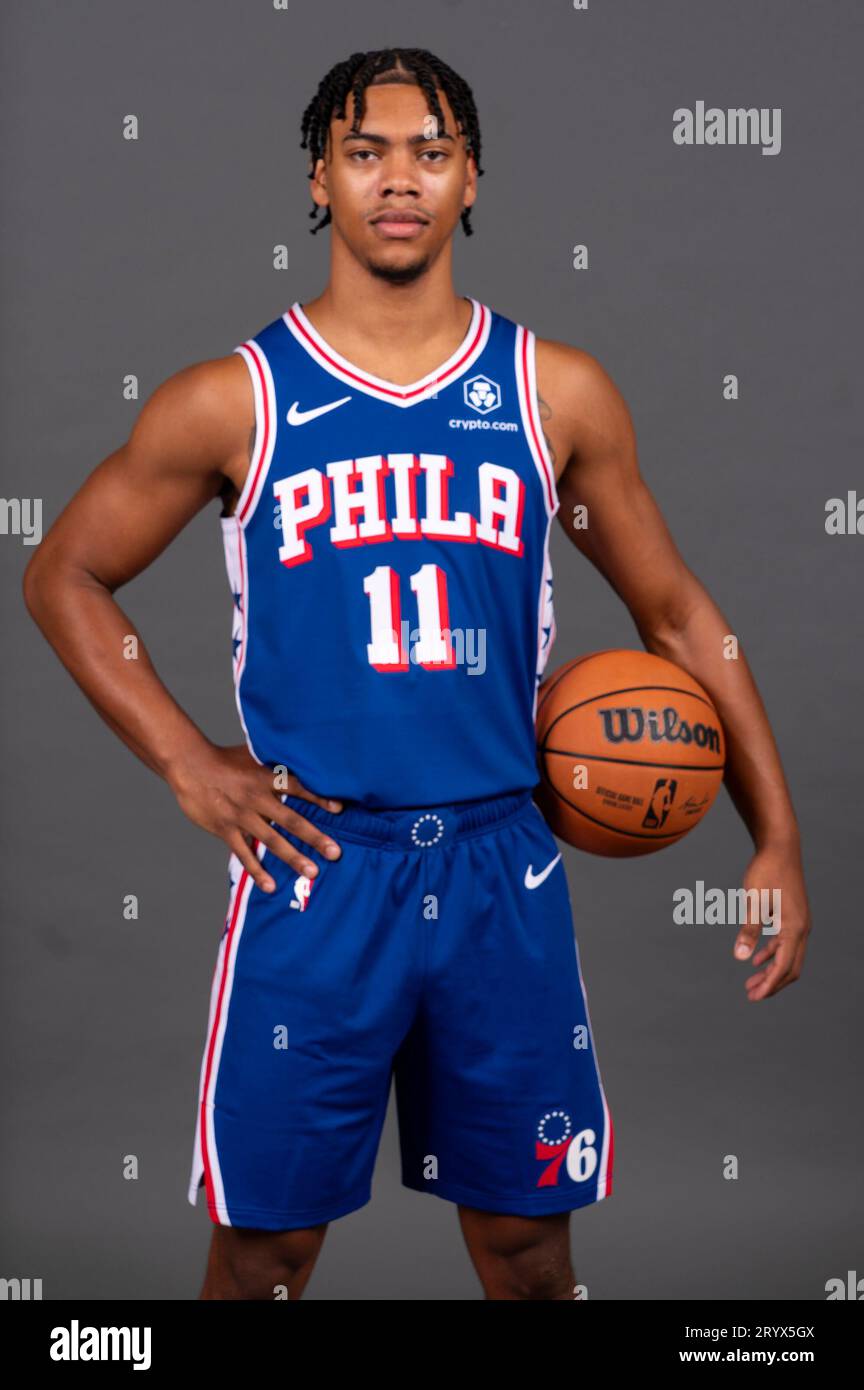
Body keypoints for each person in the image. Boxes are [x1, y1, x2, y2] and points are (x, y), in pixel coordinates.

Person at [23, 46, 811, 1301]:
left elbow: (676, 614)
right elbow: (62, 572)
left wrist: (775, 836)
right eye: (367, 152)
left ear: (472, 178)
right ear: (319, 180)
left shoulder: (554, 393)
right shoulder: (236, 400)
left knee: (530, 1254)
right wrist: (187, 762)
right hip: (316, 870)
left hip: (504, 871)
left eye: (431, 153)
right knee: (267, 1259)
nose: (400, 179)